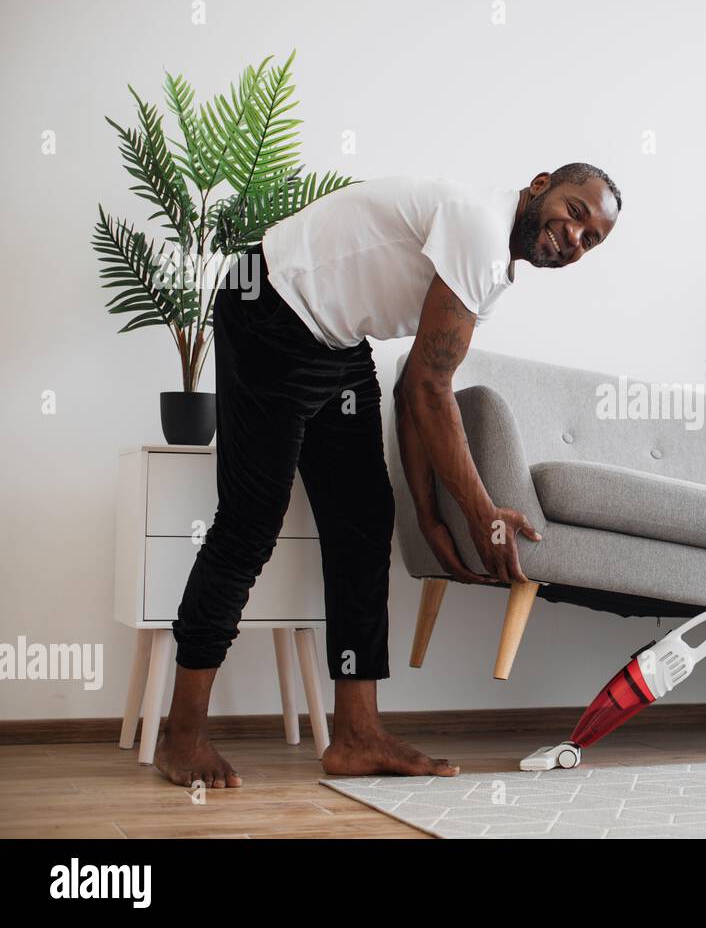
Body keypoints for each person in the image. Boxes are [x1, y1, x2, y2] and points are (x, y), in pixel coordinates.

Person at [156, 164, 622, 789]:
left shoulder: (494, 270)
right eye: (574, 211)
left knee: (365, 522)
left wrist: (427, 512)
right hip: (268, 304)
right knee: (249, 525)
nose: (574, 236)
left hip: (336, 340)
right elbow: (431, 389)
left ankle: (355, 736)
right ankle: (180, 735)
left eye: (591, 239)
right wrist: (483, 514)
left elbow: (414, 388)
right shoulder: (477, 225)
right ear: (539, 185)